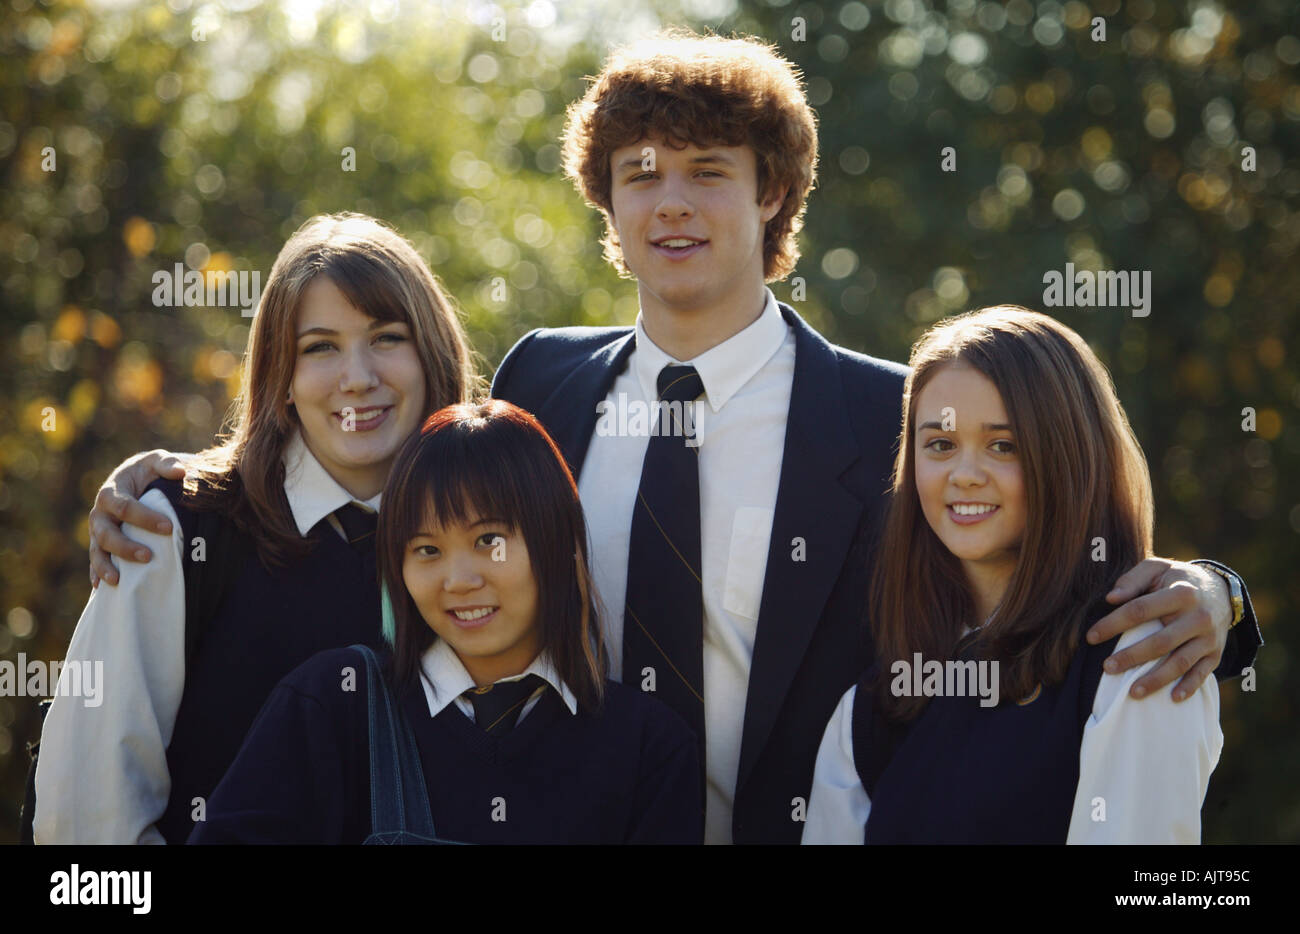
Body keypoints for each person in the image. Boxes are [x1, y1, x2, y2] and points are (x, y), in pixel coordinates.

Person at [85, 31, 1261, 845]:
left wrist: (1219, 599)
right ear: (607, 208)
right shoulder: (543, 382)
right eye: (638, 175)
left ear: (773, 200)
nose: (671, 202)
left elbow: (1033, 514)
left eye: (709, 171)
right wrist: (179, 480)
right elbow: (371, 437)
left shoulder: (891, 415)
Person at [35, 213, 479, 843]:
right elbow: (85, 814)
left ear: (431, 355)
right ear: (284, 378)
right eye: (320, 347)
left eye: (386, 337)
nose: (358, 376)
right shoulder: (173, 527)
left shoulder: (487, 543)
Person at [802, 307, 1225, 844]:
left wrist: (1219, 588)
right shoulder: (870, 709)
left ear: (1068, 456)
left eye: (1004, 445)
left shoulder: (1139, 656)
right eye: (940, 444)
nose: (965, 475)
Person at [190, 401, 701, 844]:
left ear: (556, 542)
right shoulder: (332, 708)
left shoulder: (646, 750)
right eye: (427, 550)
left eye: (488, 542)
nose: (458, 580)